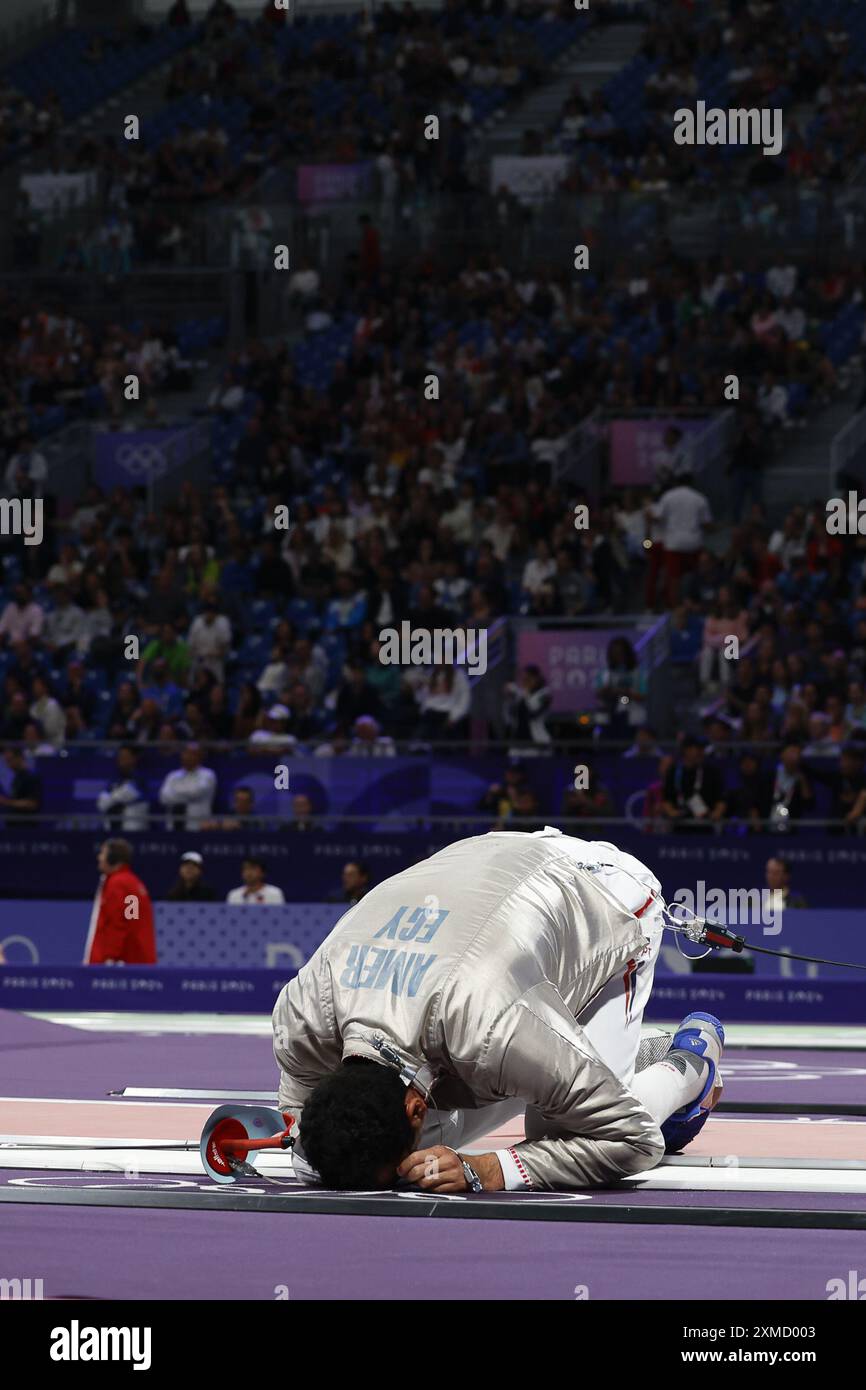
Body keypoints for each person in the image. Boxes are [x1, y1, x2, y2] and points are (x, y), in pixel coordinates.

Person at [273, 828, 724, 1191]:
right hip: (485, 863)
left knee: (556, 1132)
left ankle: (690, 1066)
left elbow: (632, 1139)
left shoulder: (497, 1027)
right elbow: (305, 1124)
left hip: (607, 896)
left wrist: (484, 1170)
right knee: (423, 1159)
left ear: (416, 1108)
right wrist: (299, 1142)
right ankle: (613, 1059)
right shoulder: (301, 1020)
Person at [84, 839, 156, 965]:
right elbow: (131, 920)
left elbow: (118, 923)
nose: (99, 857)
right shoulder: (131, 882)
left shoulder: (118, 884)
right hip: (136, 958)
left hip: (124, 962)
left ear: (114, 859)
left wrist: (110, 958)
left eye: (103, 854)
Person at [661, 738, 726, 832]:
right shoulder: (673, 772)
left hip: (706, 825)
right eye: (698, 749)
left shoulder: (712, 772)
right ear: (686, 750)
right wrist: (671, 812)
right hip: (679, 825)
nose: (701, 752)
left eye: (702, 750)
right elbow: (666, 798)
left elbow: (721, 798)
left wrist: (717, 813)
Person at [158, 744, 217, 831]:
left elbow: (196, 793)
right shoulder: (172, 776)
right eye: (186, 753)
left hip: (198, 826)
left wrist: (175, 793)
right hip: (173, 826)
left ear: (200, 757)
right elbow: (164, 798)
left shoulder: (207, 774)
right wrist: (188, 795)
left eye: (192, 754)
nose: (188, 757)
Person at [96, 745, 149, 832]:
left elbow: (128, 793)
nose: (121, 760)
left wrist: (111, 798)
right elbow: (101, 803)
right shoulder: (114, 779)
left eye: (125, 757)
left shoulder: (140, 778)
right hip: (112, 827)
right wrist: (116, 797)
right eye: (120, 757)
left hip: (133, 827)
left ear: (134, 758)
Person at [0, 747, 42, 818]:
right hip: (13, 824)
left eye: (10, 760)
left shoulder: (31, 777)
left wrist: (6, 802)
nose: (8, 765)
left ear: (19, 758)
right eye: (7, 762)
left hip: (26, 825)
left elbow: (33, 804)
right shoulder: (17, 778)